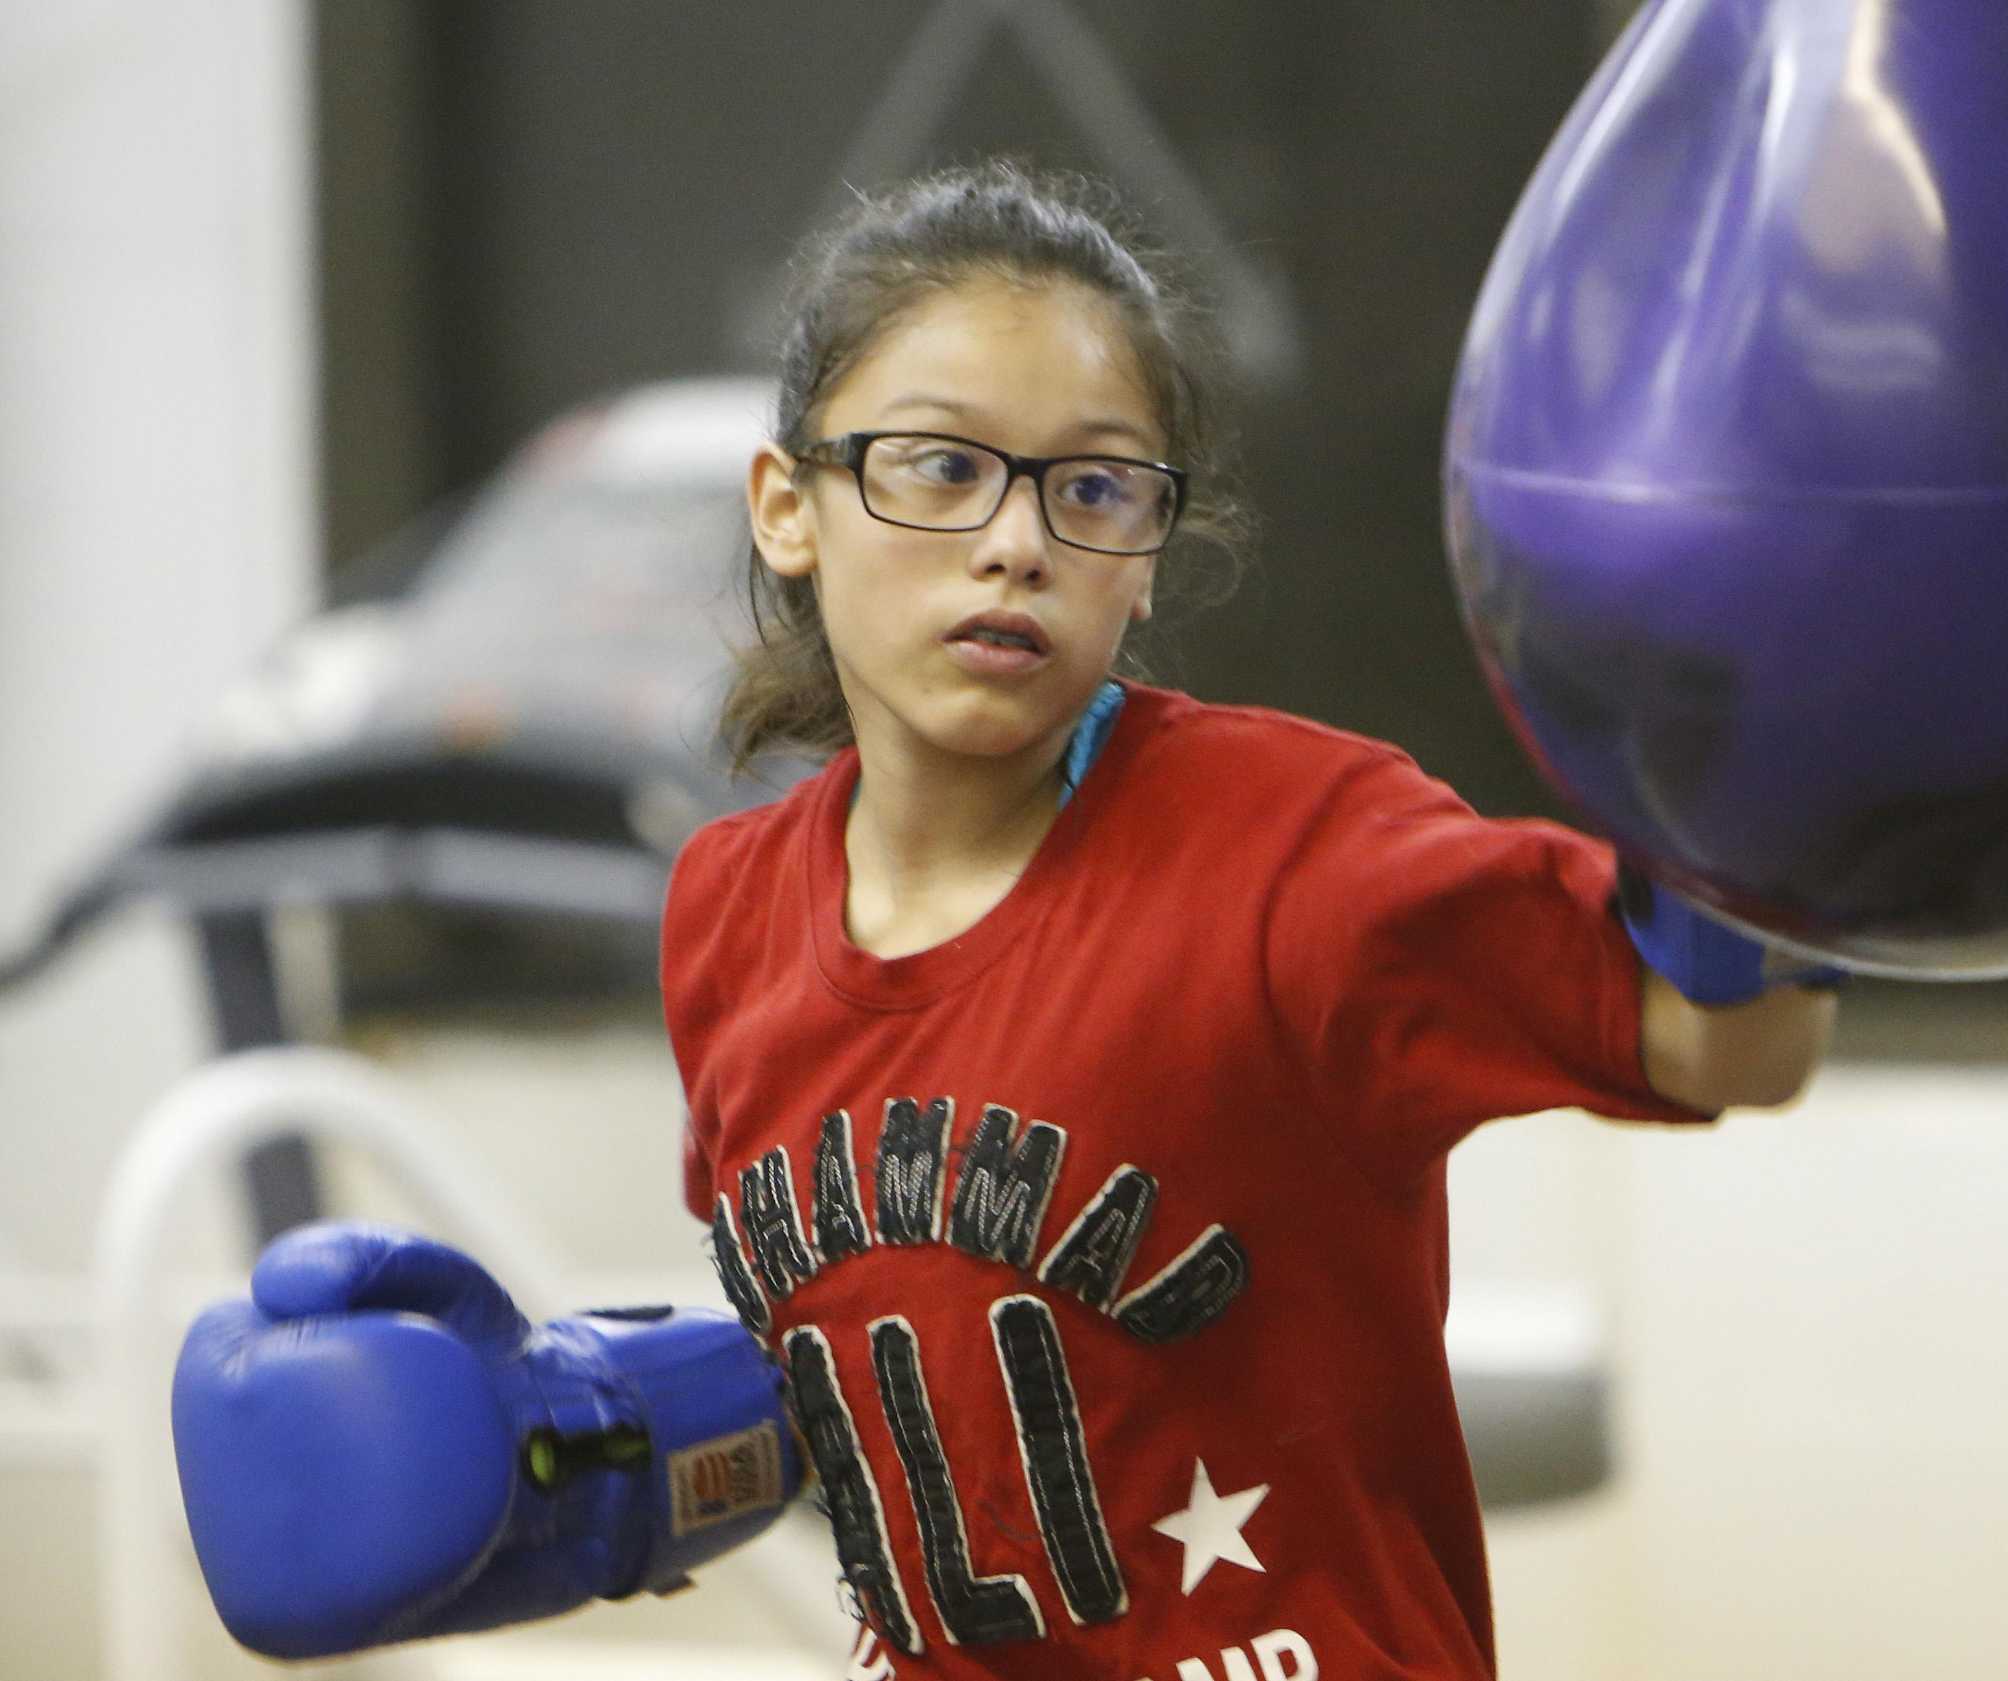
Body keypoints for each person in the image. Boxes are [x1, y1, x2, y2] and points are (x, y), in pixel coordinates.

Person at [172, 161, 1838, 1681]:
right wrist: (593, 1458)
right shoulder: (730, 915)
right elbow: (896, 1352)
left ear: (1149, 558)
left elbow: (1732, 1043)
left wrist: (1751, 760)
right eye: (943, 467)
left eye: (1095, 490)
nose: (1017, 541)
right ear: (788, 506)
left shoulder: (1300, 853)